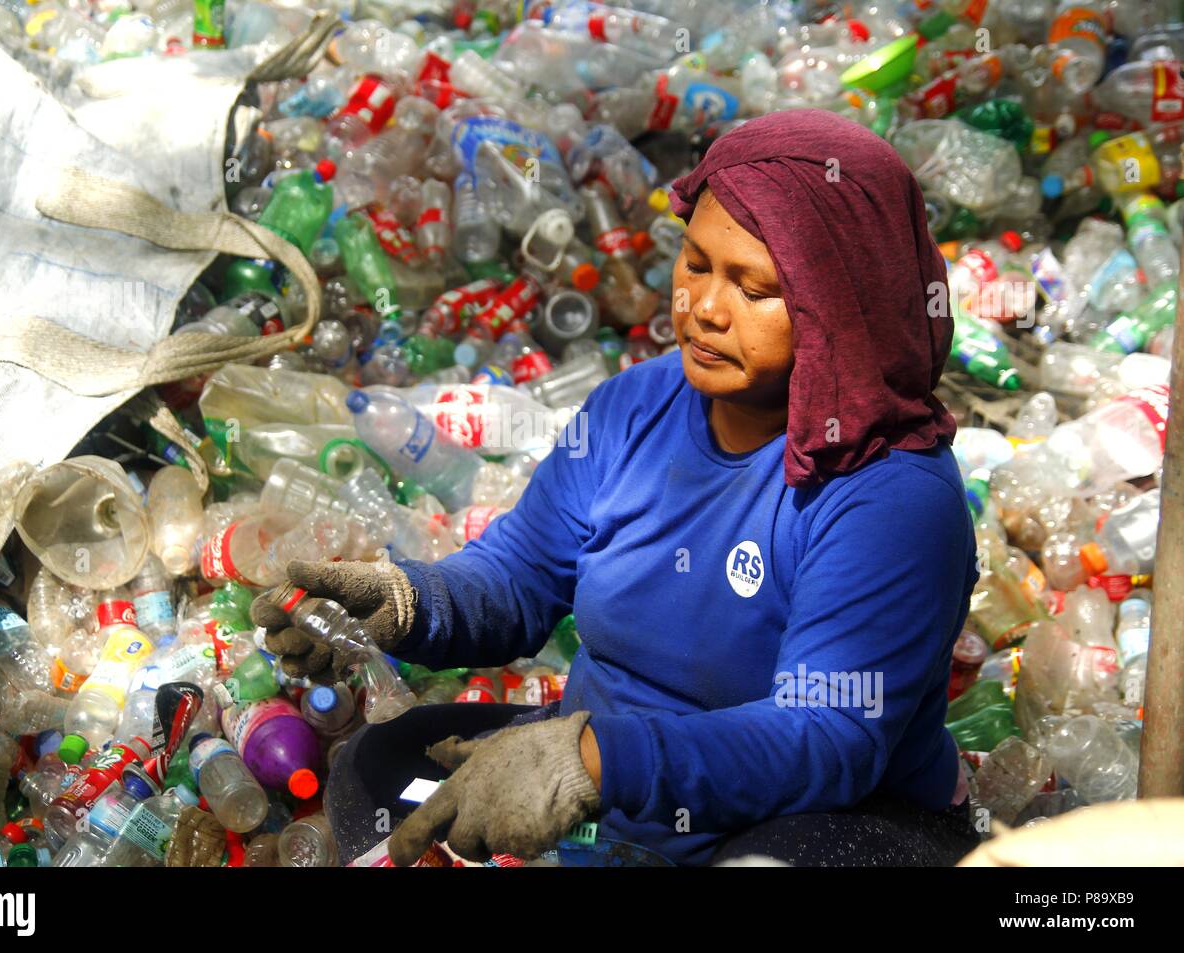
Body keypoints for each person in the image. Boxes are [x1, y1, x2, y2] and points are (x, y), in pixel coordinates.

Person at [251, 109, 981, 867]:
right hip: (615, 794)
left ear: (841, 309)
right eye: (696, 264)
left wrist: (595, 762)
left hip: (806, 818)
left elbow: (823, 738)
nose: (703, 307)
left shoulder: (891, 493)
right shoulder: (635, 408)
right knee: (375, 768)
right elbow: (520, 577)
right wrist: (403, 602)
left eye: (753, 288)